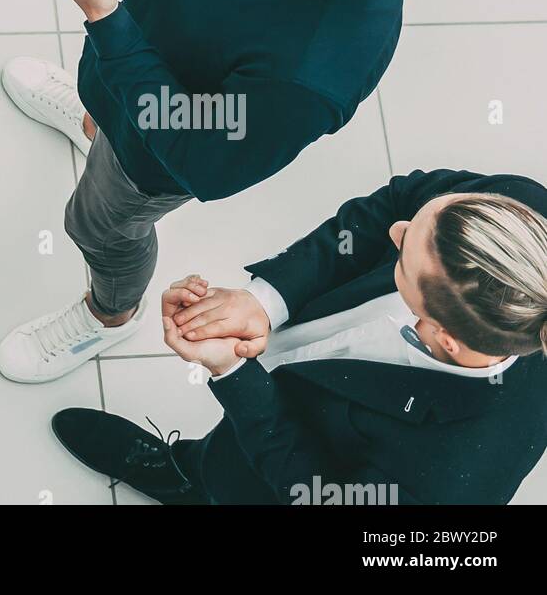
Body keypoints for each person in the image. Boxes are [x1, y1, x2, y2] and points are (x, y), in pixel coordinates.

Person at [0, 0, 460, 382]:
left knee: (99, 224)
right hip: (147, 57)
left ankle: (109, 316)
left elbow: (196, 154)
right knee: (105, 100)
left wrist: (104, 17)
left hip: (157, 148)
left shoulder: (318, 69)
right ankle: (97, 119)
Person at [51, 168, 547, 506]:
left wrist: (232, 374)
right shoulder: (515, 210)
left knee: (232, 484)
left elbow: (316, 491)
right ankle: (184, 468)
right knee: (218, 456)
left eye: (404, 257)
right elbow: (393, 205)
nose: (395, 231)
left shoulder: (450, 477)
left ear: (446, 336)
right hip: (292, 391)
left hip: (284, 476)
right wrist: (264, 300)